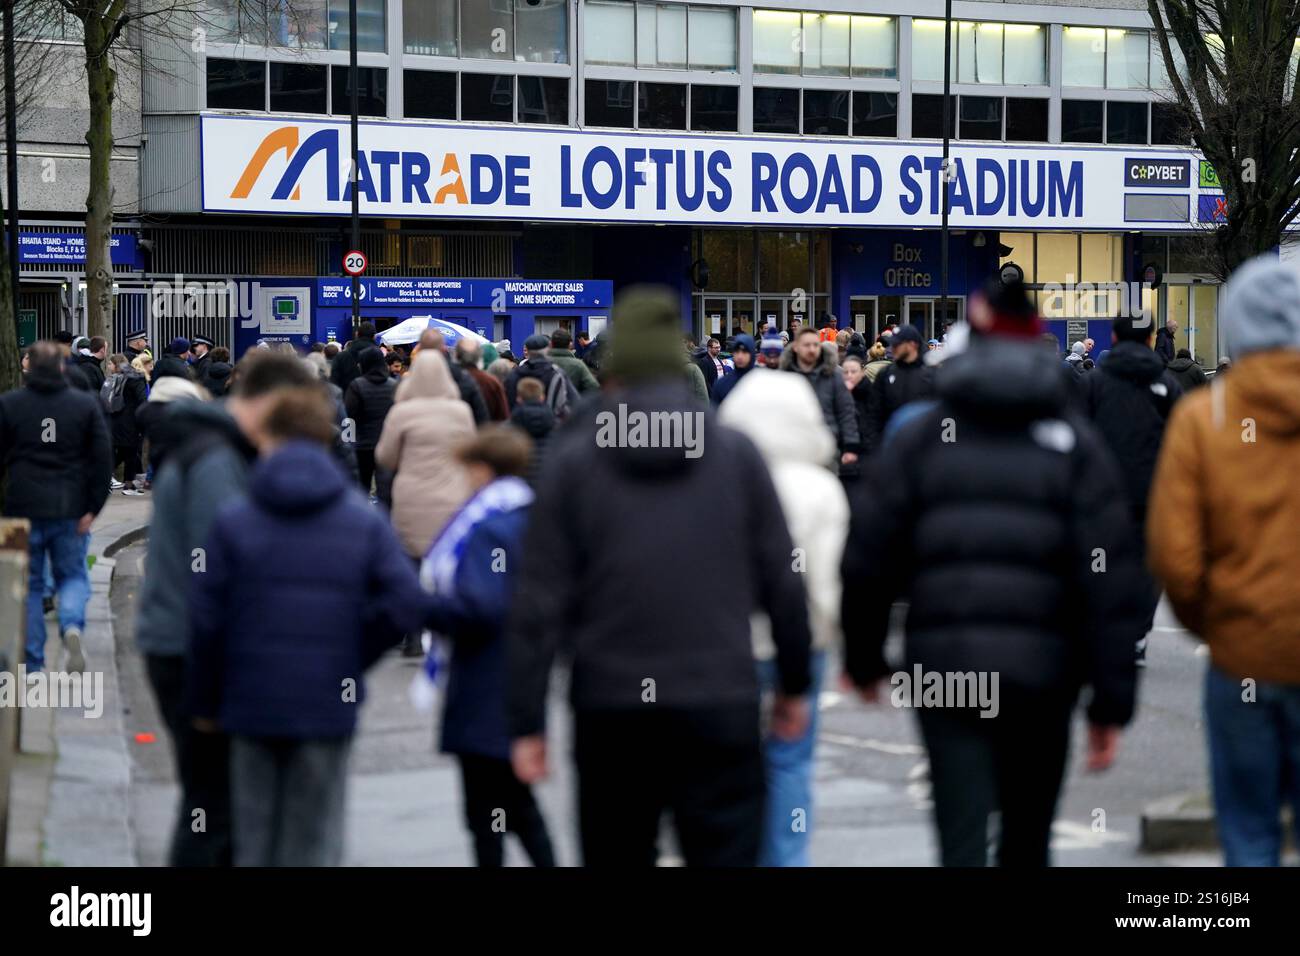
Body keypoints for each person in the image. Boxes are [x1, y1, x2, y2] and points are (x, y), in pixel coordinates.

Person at [841, 277, 1147, 867]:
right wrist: (1110, 702)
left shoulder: (924, 439)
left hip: (946, 671)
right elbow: (1110, 580)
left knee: (960, 838)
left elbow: (871, 553)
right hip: (1045, 676)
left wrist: (864, 656)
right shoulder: (1073, 447)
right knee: (1027, 841)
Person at [507, 285, 812, 868]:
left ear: (614, 371)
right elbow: (783, 579)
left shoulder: (576, 461)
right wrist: (794, 684)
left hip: (612, 706)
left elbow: (537, 601)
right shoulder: (734, 454)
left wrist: (526, 722)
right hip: (718, 696)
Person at [186, 385, 427, 867]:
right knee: (314, 834)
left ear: (266, 439)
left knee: (255, 832)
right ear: (325, 438)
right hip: (325, 698)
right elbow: (405, 601)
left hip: (250, 696)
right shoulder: (362, 520)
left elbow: (206, 618)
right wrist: (352, 654)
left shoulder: (236, 519)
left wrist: (205, 700)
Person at [1148, 254, 1300, 867]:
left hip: (1242, 660)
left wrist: (1218, 627)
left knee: (1247, 832)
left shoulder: (1203, 419)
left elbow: (1175, 558)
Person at [137, 350, 318, 866]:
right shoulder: (219, 460)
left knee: (216, 802)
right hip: (195, 651)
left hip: (182, 643)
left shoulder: (208, 448)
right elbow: (219, 575)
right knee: (216, 806)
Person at [718, 368, 848, 866]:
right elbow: (826, 583)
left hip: (727, 646)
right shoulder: (819, 488)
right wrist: (836, 637)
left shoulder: (718, 476)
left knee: (728, 765)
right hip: (800, 644)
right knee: (791, 760)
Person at [422, 426, 557, 867]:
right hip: (523, 676)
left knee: (488, 814)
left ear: (482, 469)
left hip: (483, 680)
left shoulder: (485, 528)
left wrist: (424, 607)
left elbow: (479, 608)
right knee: (518, 806)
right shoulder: (532, 516)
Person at [0, 341, 112, 672]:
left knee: (31, 585)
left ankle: (34, 663)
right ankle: (72, 624)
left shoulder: (10, 404)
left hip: (23, 506)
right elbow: (102, 459)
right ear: (63, 368)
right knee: (72, 574)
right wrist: (93, 506)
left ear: (29, 367)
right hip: (71, 506)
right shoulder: (84, 405)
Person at [1078, 313, 1182, 655]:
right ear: (1152, 339)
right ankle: (1137, 631)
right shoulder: (1166, 385)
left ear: (1114, 338)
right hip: (1152, 494)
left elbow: (1077, 436)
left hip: (1102, 494)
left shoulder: (1094, 383)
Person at [376, 351, 476, 560]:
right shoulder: (461, 411)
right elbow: (470, 453)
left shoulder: (401, 412)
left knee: (411, 558)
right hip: (453, 491)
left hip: (410, 494)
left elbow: (385, 457)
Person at [779, 327, 860, 475]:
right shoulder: (784, 375)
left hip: (827, 450)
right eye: (807, 345)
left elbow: (846, 411)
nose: (812, 349)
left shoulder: (834, 374)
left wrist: (850, 446)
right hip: (792, 452)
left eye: (815, 345)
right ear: (796, 347)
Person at [862, 324, 935, 454]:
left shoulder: (931, 375)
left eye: (897, 344)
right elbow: (874, 414)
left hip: (925, 449)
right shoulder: (885, 374)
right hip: (891, 449)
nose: (892, 348)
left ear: (912, 345)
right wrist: (873, 448)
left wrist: (947, 444)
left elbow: (946, 415)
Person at [344, 347, 397, 496]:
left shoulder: (357, 385)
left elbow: (349, 417)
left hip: (363, 445)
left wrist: (347, 441)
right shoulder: (393, 385)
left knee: (362, 488)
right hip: (387, 445)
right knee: (385, 489)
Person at [408, 329, 489, 425]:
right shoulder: (464, 379)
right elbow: (482, 420)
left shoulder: (407, 382)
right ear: (443, 348)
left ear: (419, 349)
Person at [503, 334, 578, 421]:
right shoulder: (557, 374)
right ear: (548, 349)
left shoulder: (513, 374)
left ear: (527, 350)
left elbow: (506, 403)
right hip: (551, 426)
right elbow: (574, 401)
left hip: (519, 429)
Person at [104, 353, 148, 490]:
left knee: (121, 452)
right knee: (130, 452)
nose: (108, 366)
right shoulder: (136, 378)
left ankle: (106, 477)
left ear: (117, 365)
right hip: (130, 421)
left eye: (110, 364)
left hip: (114, 419)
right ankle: (128, 484)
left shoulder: (114, 379)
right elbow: (142, 400)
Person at [510, 376, 554, 487]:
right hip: (547, 484)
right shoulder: (559, 427)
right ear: (542, 397)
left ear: (519, 398)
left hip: (519, 485)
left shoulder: (507, 428)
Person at [454, 338, 509, 422]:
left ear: (456, 355)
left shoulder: (449, 379)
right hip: (486, 432)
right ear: (479, 356)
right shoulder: (491, 382)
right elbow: (502, 416)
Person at [329, 321, 378, 393]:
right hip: (373, 398)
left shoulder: (342, 356)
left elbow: (334, 382)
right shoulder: (378, 355)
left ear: (357, 334)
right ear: (374, 336)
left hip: (347, 397)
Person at [547, 329, 600, 395]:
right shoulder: (578, 365)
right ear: (569, 344)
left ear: (551, 344)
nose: (579, 343)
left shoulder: (543, 362)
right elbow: (593, 387)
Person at [710, 333, 755, 406]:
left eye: (744, 352)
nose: (740, 356)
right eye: (737, 352)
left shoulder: (763, 382)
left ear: (752, 354)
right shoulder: (721, 385)